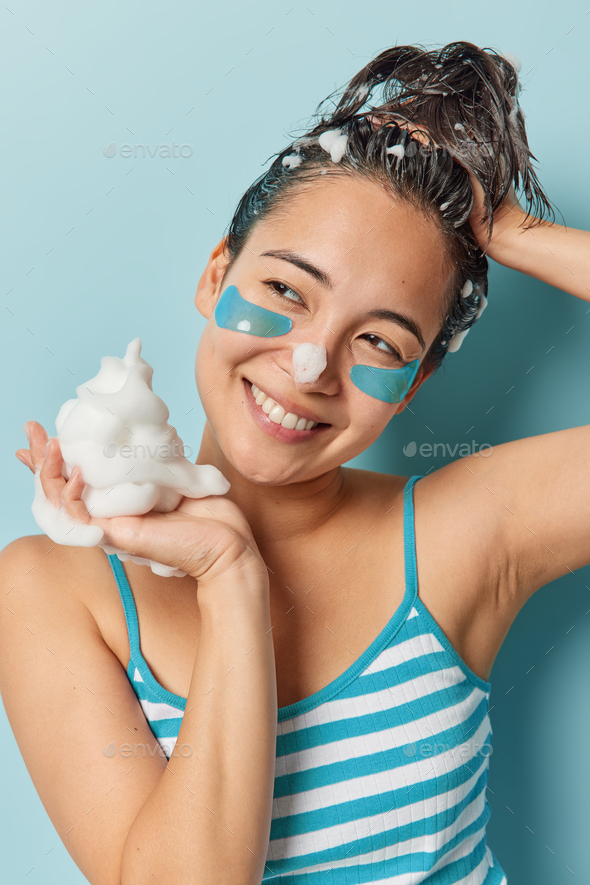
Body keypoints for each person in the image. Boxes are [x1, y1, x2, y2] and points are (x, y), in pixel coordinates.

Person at [1, 39, 589, 885]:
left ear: (414, 384)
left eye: (379, 340)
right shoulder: (58, 588)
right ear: (215, 275)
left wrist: (516, 234)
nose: (311, 363)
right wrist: (231, 576)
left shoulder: (465, 535)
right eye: (285, 290)